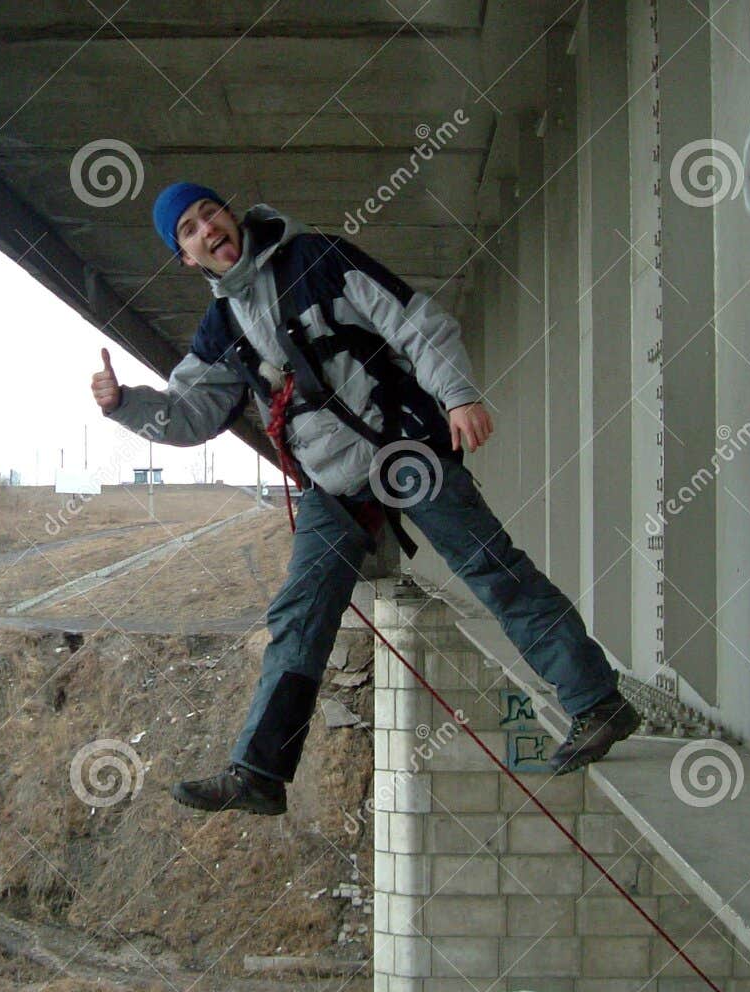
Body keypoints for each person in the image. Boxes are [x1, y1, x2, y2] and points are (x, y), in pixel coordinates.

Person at [89, 182, 638, 815]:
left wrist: (457, 395)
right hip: (332, 484)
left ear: (230, 215)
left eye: (209, 212)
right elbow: (188, 416)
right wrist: (125, 404)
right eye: (187, 229)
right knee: (300, 613)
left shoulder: (316, 259)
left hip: (401, 447)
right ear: (186, 258)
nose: (206, 229)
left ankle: (596, 700)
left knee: (492, 568)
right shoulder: (221, 330)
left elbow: (411, 319)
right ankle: (260, 772)